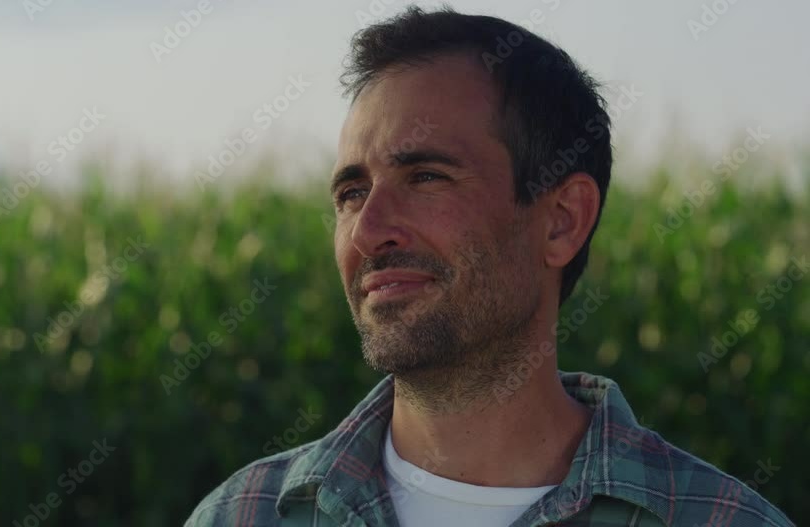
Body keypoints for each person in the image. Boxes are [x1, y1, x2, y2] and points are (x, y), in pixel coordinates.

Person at [186, 6, 794, 526]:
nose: (367, 232)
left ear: (561, 221)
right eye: (351, 193)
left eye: (425, 177)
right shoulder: (244, 514)